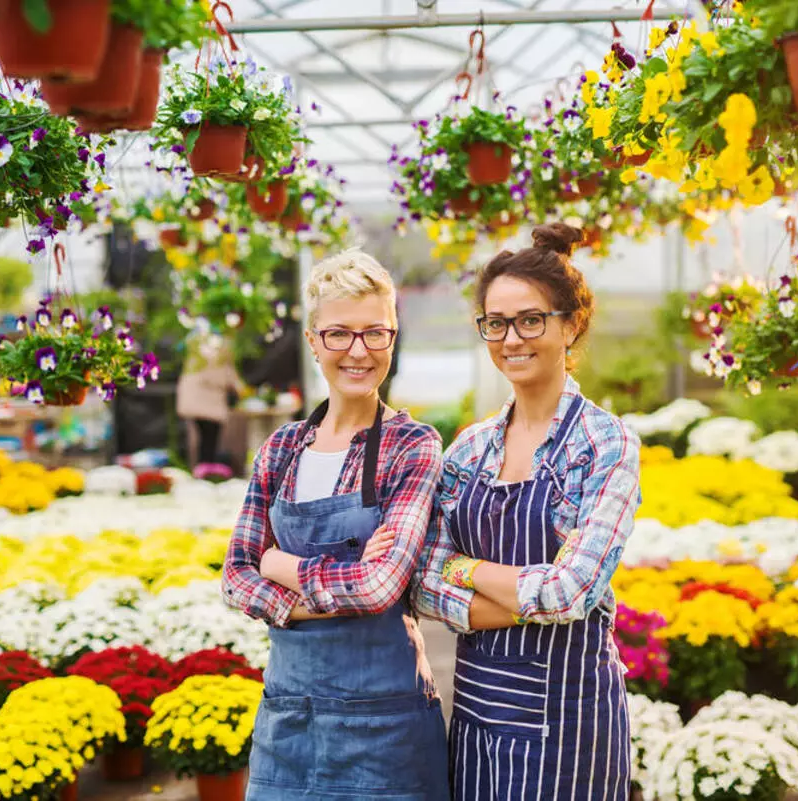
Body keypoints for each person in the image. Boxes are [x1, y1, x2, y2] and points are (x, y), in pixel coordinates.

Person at [412, 223, 641, 801]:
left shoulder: (605, 444)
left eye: (530, 320)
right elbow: (421, 584)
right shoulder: (469, 448)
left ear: (571, 324)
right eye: (496, 323)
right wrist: (529, 595)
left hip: (569, 722)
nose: (511, 339)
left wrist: (465, 571)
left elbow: (571, 591)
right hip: (477, 716)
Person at [221, 248, 450, 801]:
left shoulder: (411, 445)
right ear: (313, 341)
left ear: (393, 337)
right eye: (339, 334)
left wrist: (281, 567)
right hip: (288, 724)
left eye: (376, 333)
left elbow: (380, 587)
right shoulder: (280, 450)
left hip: (387, 727)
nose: (358, 351)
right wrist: (312, 585)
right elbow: (234, 578)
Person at [175, 334, 244, 468]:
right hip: (206, 405)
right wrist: (239, 387)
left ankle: (204, 472)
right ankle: (206, 474)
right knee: (209, 441)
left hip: (198, 403)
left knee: (206, 441)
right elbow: (221, 377)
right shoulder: (213, 352)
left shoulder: (201, 347)